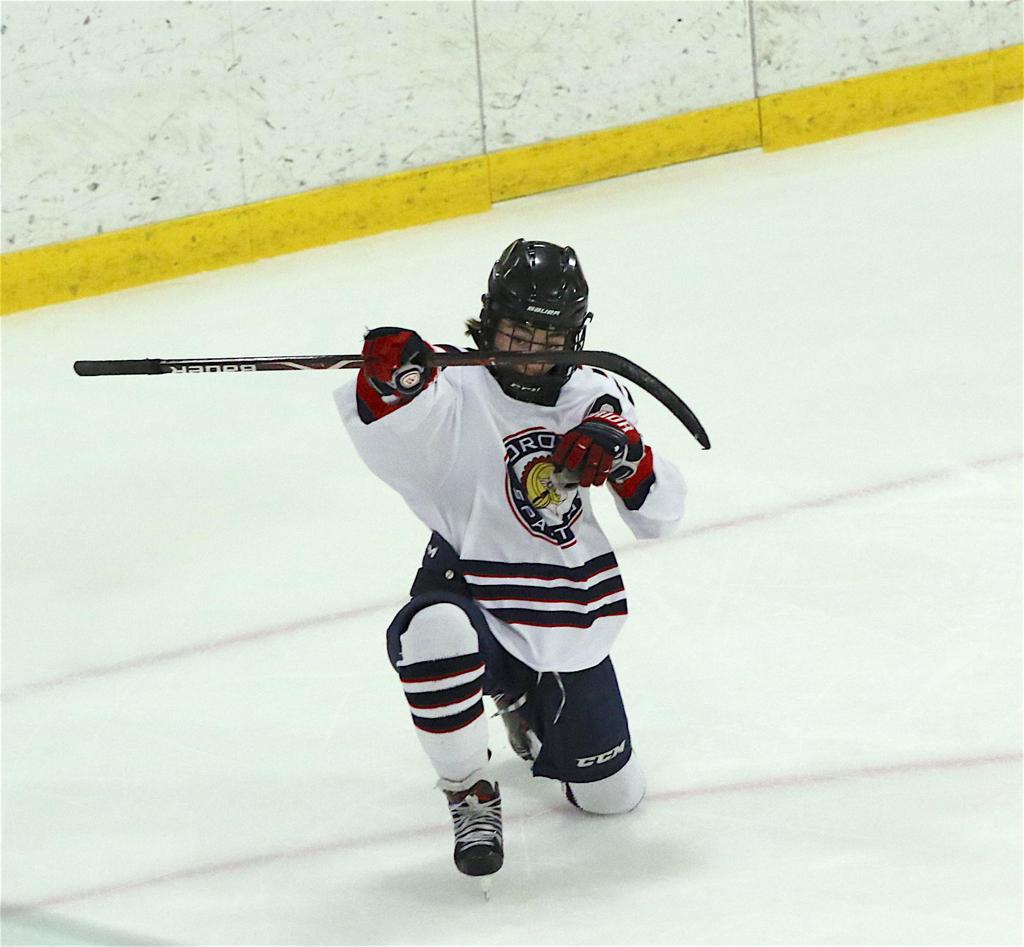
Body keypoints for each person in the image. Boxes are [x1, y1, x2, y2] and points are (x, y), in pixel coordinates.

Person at [335, 238, 687, 884]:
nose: (529, 351)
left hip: (564, 609)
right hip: (470, 587)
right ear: (489, 320)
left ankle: (525, 698)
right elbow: (392, 421)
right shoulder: (450, 385)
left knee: (612, 799)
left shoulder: (595, 393)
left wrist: (626, 455)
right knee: (434, 632)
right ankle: (468, 789)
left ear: (574, 336)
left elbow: (661, 516)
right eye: (516, 333)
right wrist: (387, 379)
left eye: (547, 337)